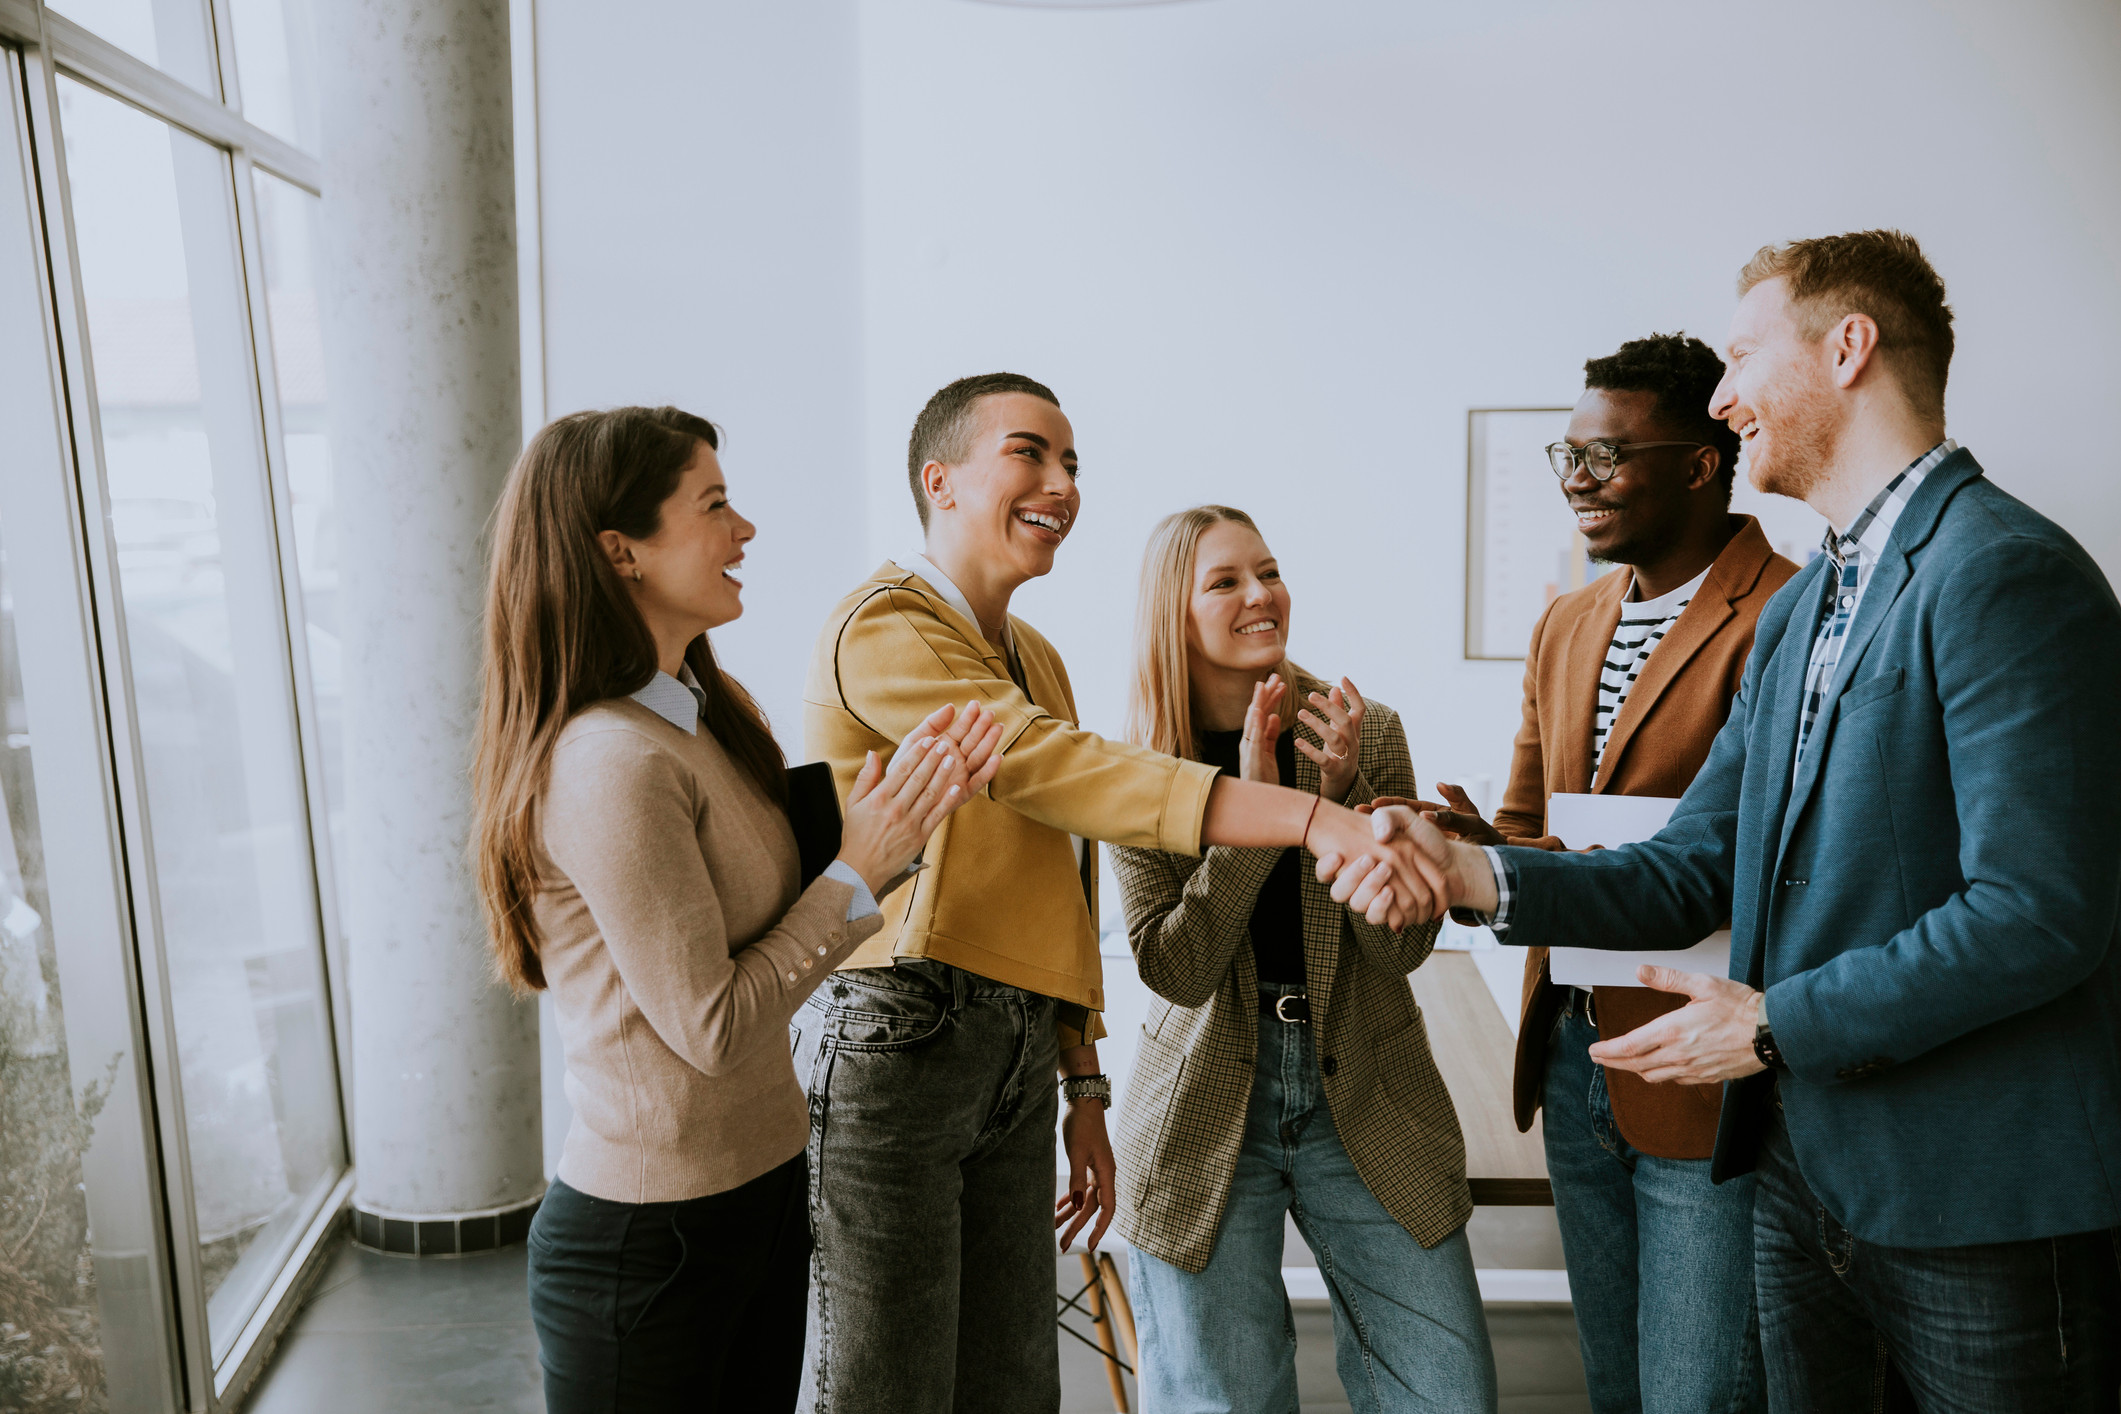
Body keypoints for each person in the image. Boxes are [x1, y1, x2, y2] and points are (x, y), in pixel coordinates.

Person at [1338, 232, 2121, 1412]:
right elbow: (1694, 867)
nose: (1722, 396)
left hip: (1976, 1209)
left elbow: (2040, 913)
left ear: (1847, 348)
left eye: (1744, 354)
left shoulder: (2006, 571)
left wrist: (1772, 1025)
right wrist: (1473, 875)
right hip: (1801, 1187)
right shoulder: (1808, 606)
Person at [799, 374, 1443, 1413]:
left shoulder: (1035, 657)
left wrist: (1080, 1080)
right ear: (941, 480)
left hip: (1009, 1044)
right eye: (1029, 454)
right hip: (898, 1034)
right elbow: (1067, 777)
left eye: (1072, 463)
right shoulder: (882, 626)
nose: (1060, 483)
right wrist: (1310, 817)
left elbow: (1062, 875)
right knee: (882, 1387)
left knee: (1011, 1385)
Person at [469, 406, 1004, 1413]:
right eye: (714, 504)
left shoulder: (706, 716)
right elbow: (711, 1025)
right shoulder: (609, 764)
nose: (745, 529)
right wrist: (859, 868)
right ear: (620, 551)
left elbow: (788, 896)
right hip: (649, 1245)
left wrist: (903, 819)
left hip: (756, 1193)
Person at [1408, 335, 1792, 1413]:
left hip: (1704, 1062)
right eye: (1566, 458)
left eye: (1607, 457)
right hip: (1575, 1050)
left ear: (1701, 463)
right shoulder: (1568, 622)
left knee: (1698, 1393)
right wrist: (1453, 839)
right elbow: (1532, 832)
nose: (1578, 482)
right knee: (1618, 1390)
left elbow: (1765, 863)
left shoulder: (1788, 615)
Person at [1108, 505, 1498, 1412]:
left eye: (1269, 570)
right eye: (1226, 580)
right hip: (1205, 1107)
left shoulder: (1364, 731)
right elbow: (1174, 969)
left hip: (1365, 1088)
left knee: (1446, 1393)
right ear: (1174, 611)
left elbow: (1397, 948)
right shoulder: (1137, 764)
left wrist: (1342, 801)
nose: (1261, 595)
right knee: (1221, 1398)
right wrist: (1261, 812)